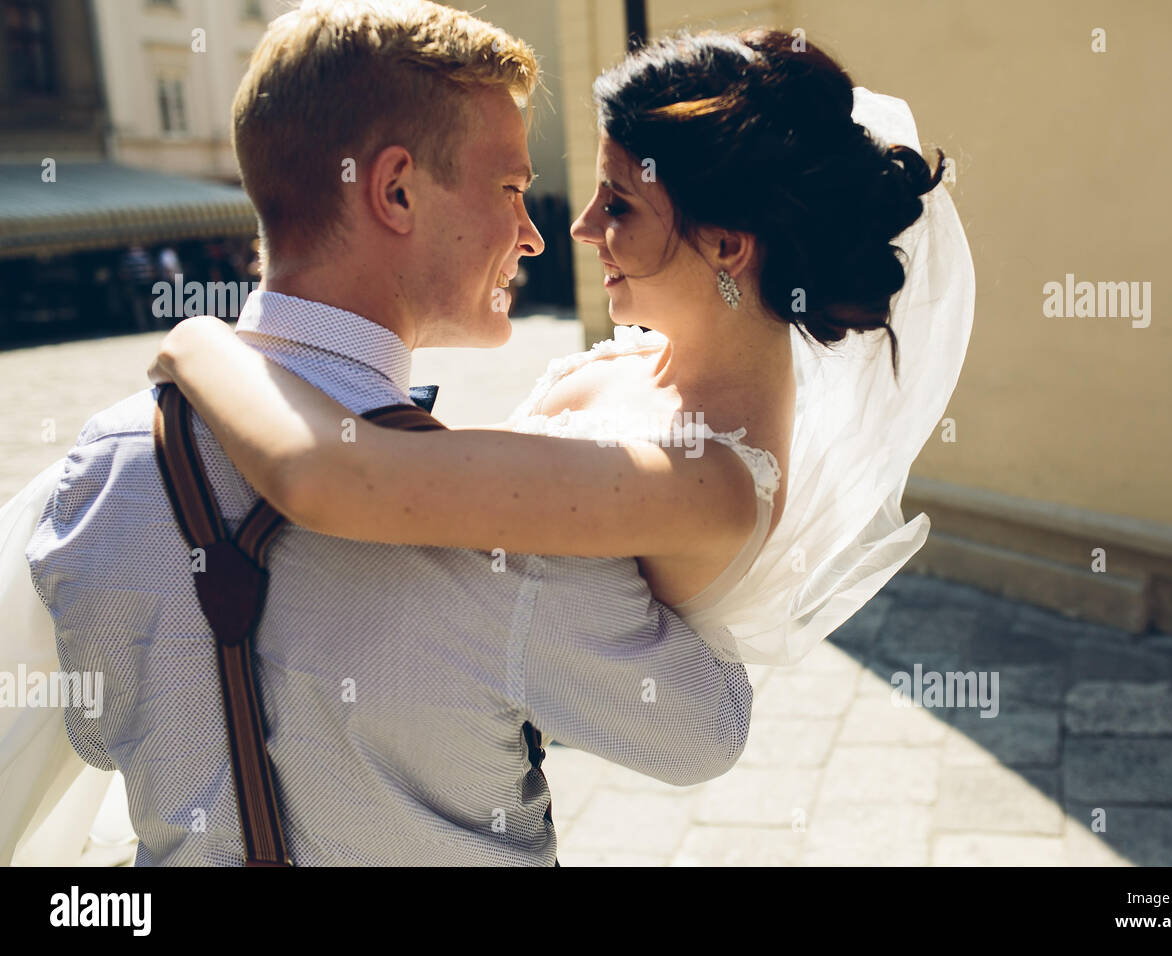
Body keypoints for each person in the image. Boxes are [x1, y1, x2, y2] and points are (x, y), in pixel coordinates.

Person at [6, 0, 751, 867]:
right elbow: (703, 732)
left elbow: (100, 735)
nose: (535, 232)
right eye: (511, 189)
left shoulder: (93, 476)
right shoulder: (506, 535)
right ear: (394, 189)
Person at [151, 28, 977, 669]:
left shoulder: (705, 484)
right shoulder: (630, 365)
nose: (578, 230)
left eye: (618, 205)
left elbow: (328, 477)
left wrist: (197, 340)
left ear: (727, 246)